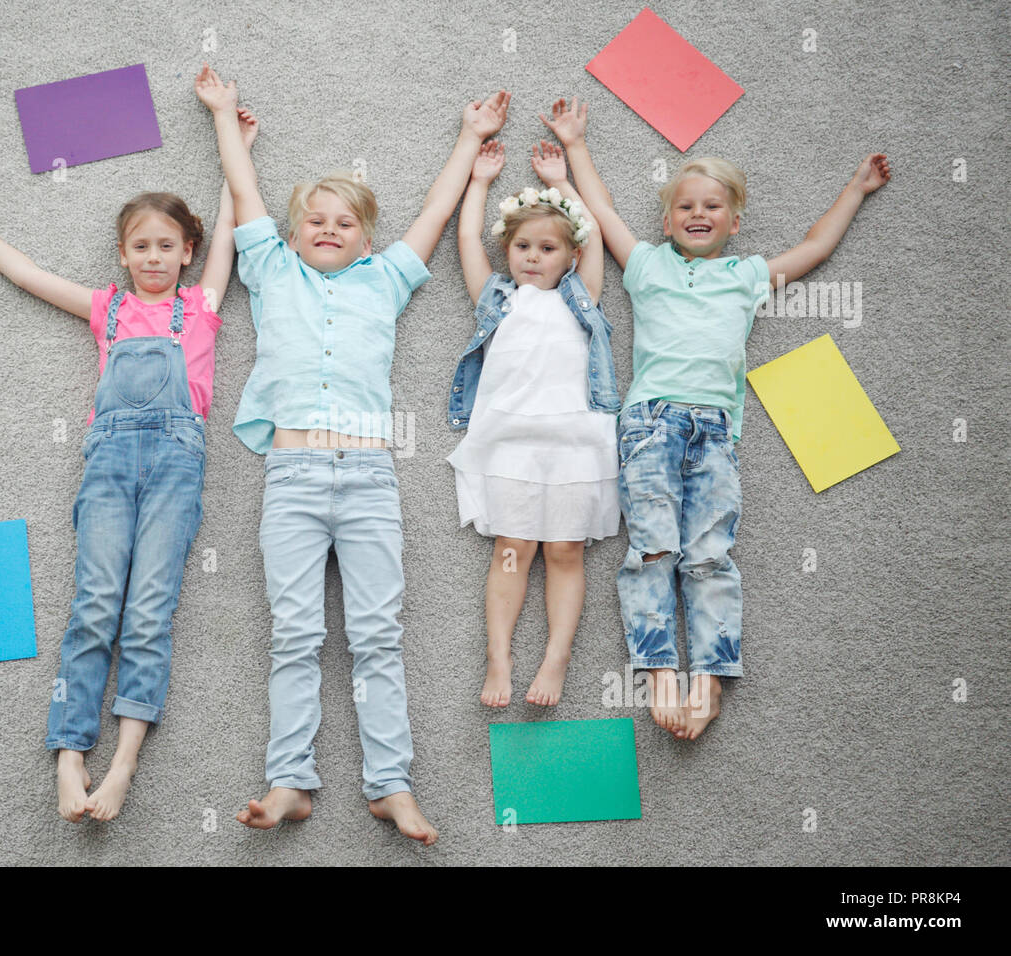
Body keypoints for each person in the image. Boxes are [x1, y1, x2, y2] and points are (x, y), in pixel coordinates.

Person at [197, 61, 511, 845]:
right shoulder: (270, 271)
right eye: (316, 220)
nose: (329, 229)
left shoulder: (386, 280)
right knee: (295, 634)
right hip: (293, 478)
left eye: (346, 221)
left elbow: (436, 219)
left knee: (377, 636)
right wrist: (223, 115)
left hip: (370, 476)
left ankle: (391, 785)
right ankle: (289, 781)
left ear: (368, 239)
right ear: (293, 235)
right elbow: (247, 196)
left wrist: (470, 137)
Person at [0, 105, 256, 821]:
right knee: (94, 608)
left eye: (167, 245)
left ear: (188, 251)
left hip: (176, 464)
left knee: (148, 614)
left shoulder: (200, 306)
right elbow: (28, 276)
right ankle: (71, 755)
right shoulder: (104, 309)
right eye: (140, 245)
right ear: (121, 252)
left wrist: (237, 144)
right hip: (108, 465)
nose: (152, 257)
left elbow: (234, 229)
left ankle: (124, 764)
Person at [552, 95, 891, 739]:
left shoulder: (745, 275)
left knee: (709, 553)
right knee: (653, 548)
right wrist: (573, 149)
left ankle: (707, 676)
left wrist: (856, 188)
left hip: (715, 430)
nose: (698, 214)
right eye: (685, 206)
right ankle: (659, 675)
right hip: (649, 422)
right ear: (667, 219)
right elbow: (601, 213)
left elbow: (815, 248)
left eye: (711, 207)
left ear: (735, 222)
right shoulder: (646, 265)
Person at [447, 138, 620, 708]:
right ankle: (499, 656)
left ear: (570, 257)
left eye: (548, 248)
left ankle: (556, 656)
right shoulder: (497, 298)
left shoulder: (582, 298)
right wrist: (479, 182)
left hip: (575, 441)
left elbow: (591, 229)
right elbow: (469, 238)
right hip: (511, 442)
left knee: (565, 552)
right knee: (512, 547)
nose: (532, 256)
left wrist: (563, 181)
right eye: (522, 245)